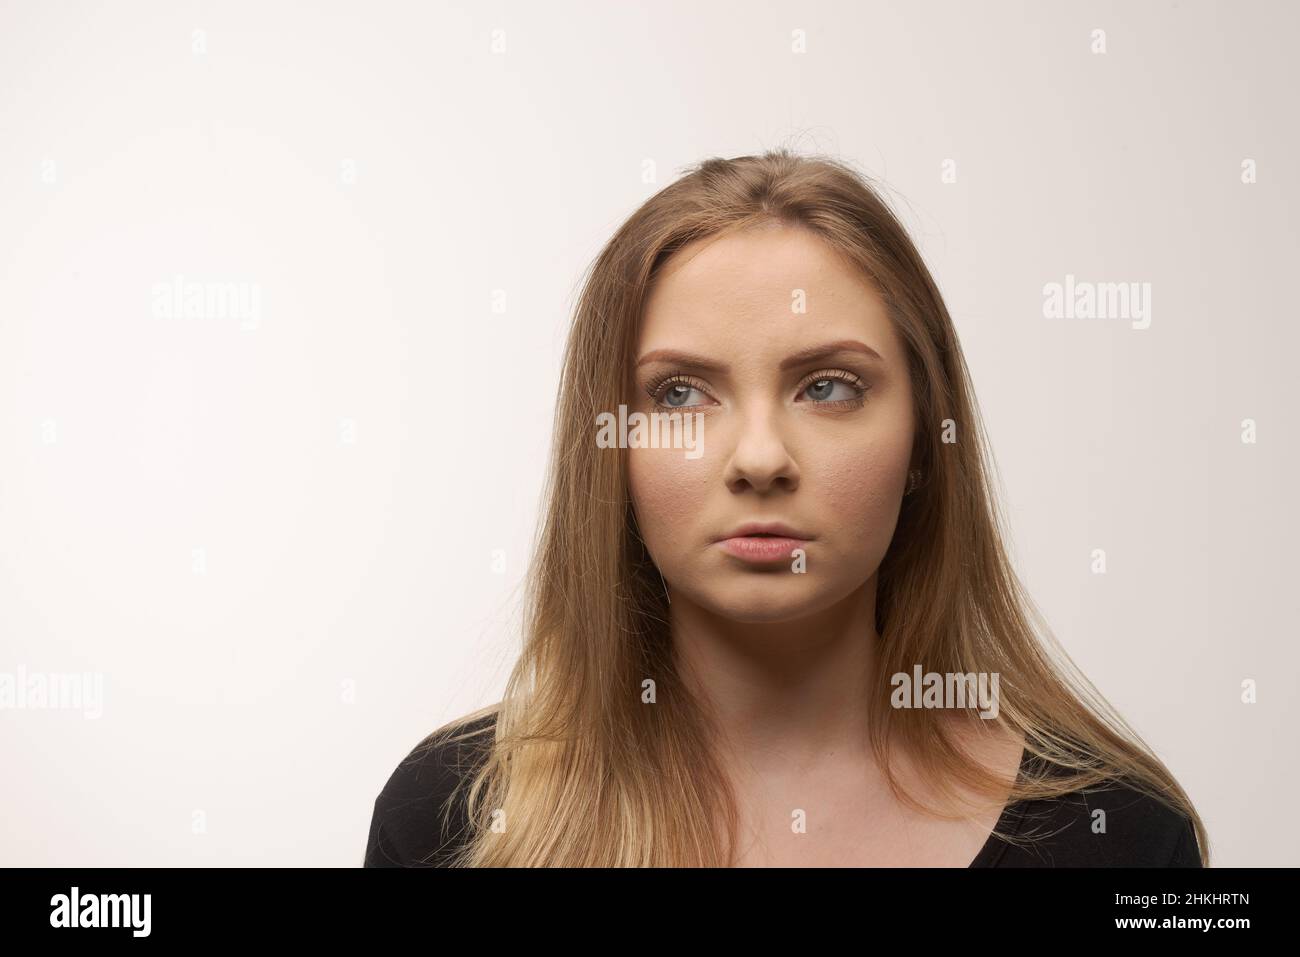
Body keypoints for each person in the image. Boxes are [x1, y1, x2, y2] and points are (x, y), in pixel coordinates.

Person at [366, 149, 1207, 867]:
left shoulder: (1124, 837)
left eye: (828, 386)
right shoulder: (450, 821)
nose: (760, 457)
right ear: (610, 446)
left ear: (923, 440)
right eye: (681, 392)